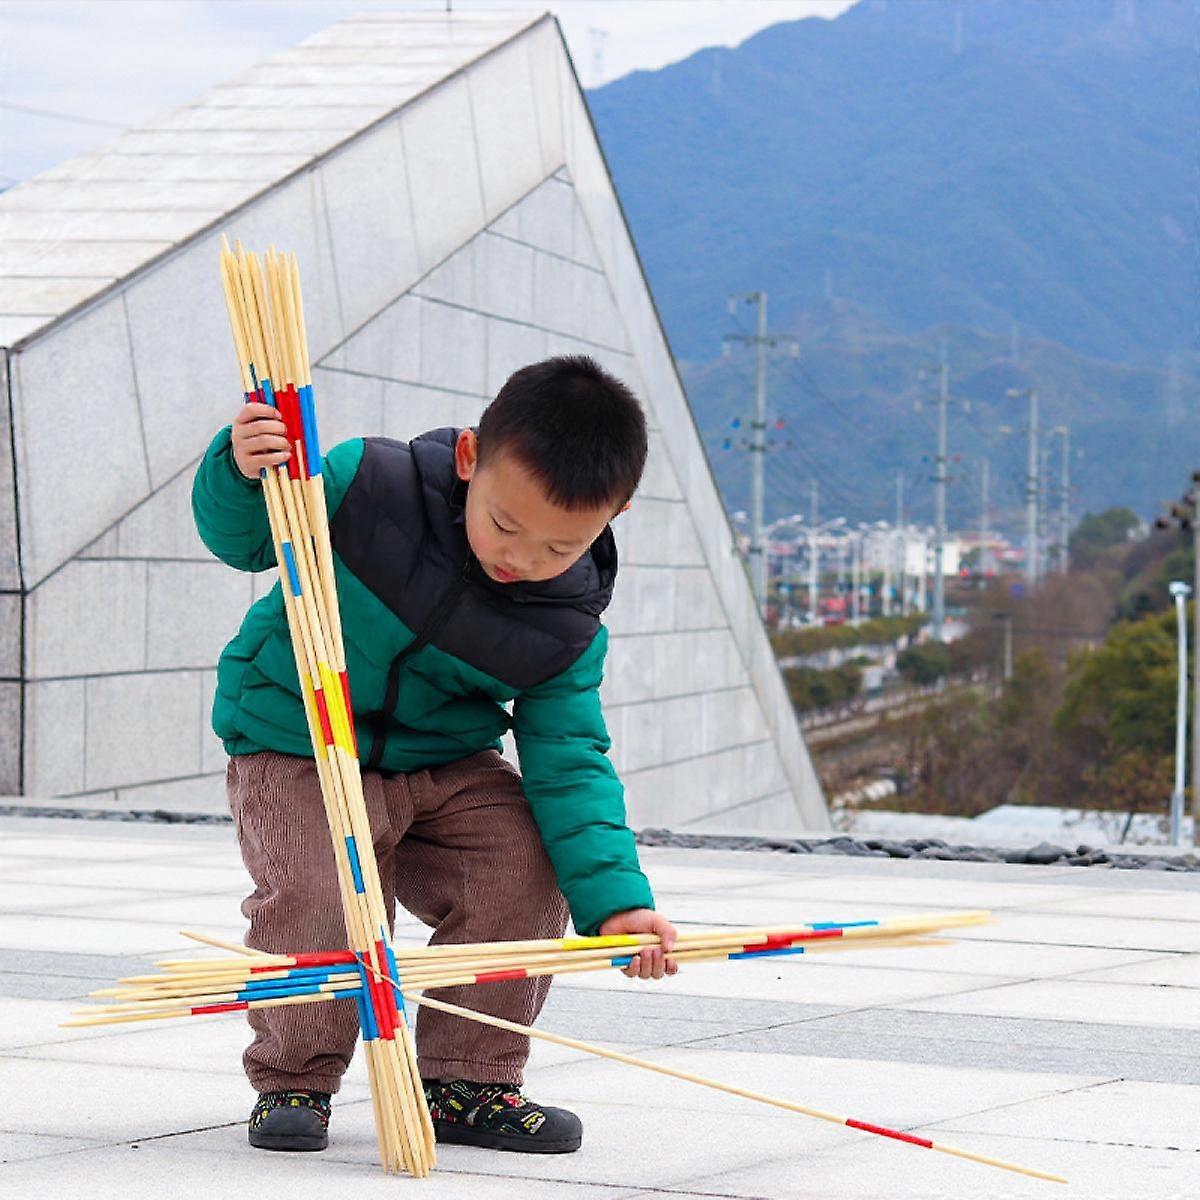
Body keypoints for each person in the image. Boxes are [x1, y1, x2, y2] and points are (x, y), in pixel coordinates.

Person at [191, 354, 678, 1156]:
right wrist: (242, 472)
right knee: (324, 894)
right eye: (506, 524)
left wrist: (618, 902)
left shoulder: (568, 624)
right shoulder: (364, 482)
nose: (520, 558)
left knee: (522, 865)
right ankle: (296, 1081)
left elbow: (571, 759)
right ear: (468, 457)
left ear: (613, 514)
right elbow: (245, 542)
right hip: (296, 738)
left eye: (559, 546)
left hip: (443, 759)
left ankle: (468, 1081)